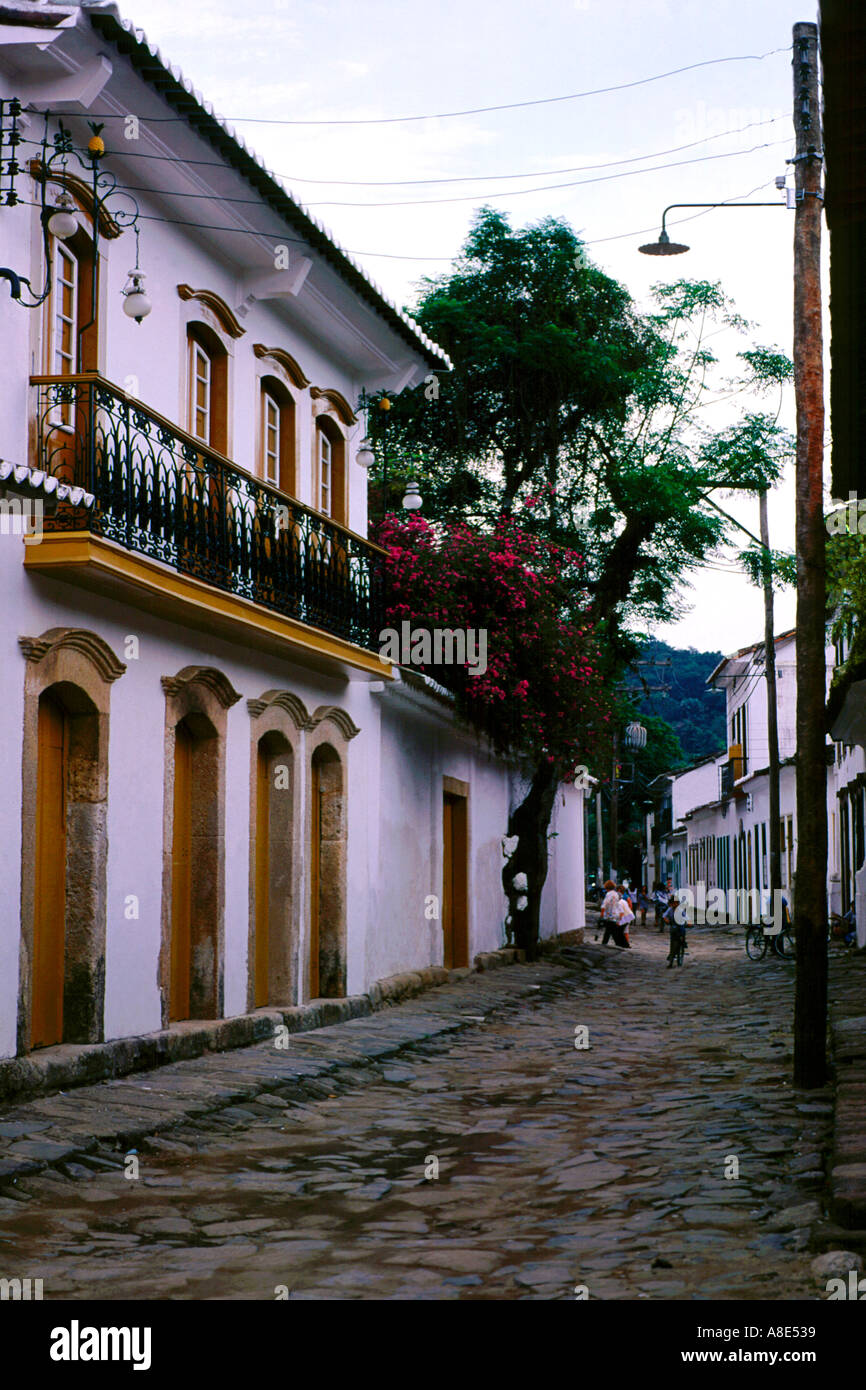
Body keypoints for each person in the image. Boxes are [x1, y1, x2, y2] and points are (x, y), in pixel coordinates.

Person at [665, 893, 687, 967]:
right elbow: (664, 916)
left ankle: (683, 943)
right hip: (673, 928)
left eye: (676, 903)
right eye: (673, 903)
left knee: (681, 937)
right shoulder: (670, 910)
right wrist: (666, 920)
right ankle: (671, 958)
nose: (675, 905)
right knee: (672, 943)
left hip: (680, 928)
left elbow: (686, 917)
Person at [599, 879, 619, 944]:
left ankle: (605, 943)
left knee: (610, 931)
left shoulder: (609, 894)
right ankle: (605, 942)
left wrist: (601, 914)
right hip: (615, 914)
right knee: (610, 930)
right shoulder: (616, 894)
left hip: (609, 915)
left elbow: (604, 904)